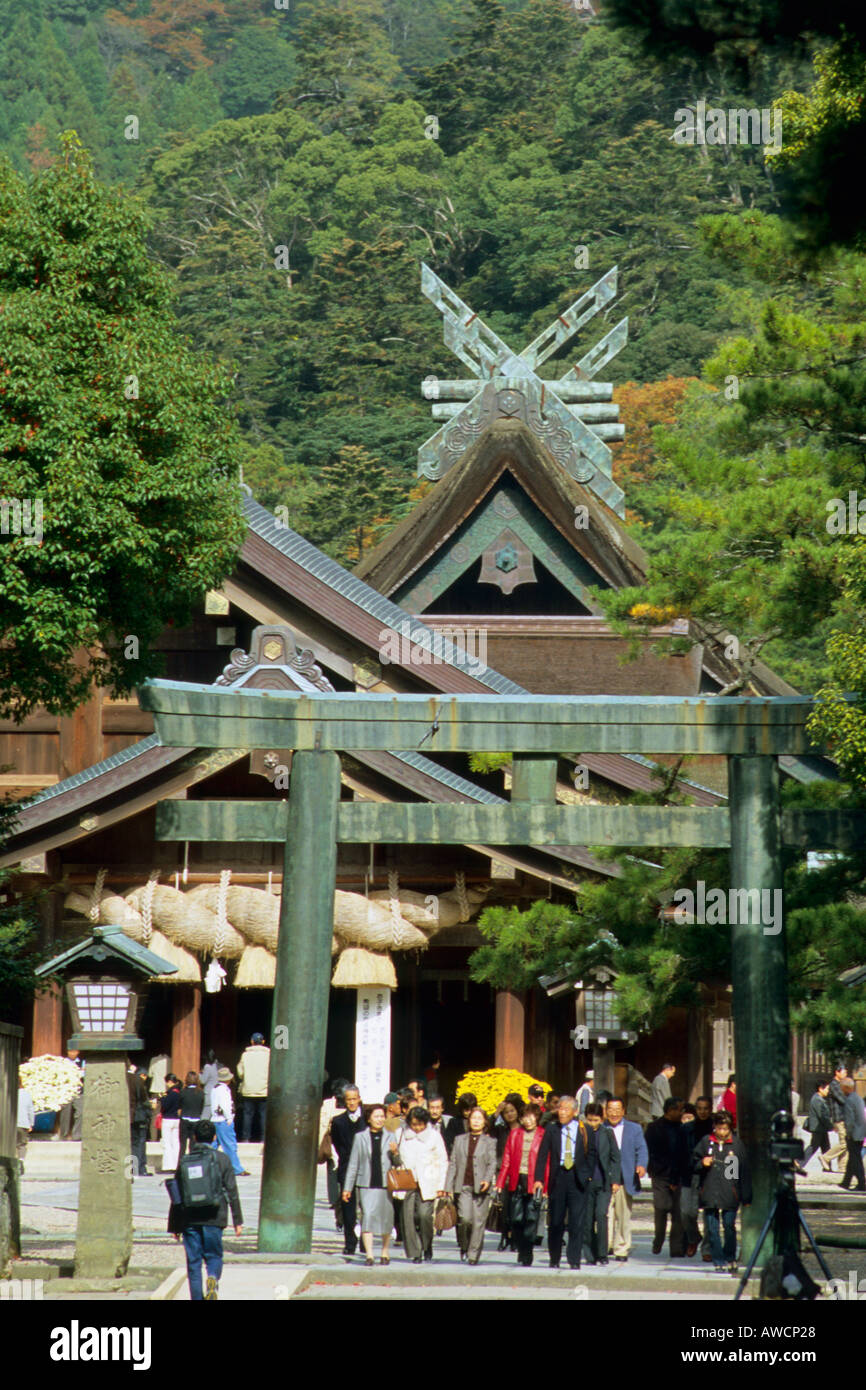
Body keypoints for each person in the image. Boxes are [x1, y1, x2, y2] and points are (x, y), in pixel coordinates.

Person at [174, 1119, 243, 1300]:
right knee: (213, 1255)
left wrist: (174, 1225)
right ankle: (212, 1277)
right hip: (215, 1214)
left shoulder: (185, 1161)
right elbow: (232, 1190)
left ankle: (197, 1297)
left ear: (194, 1137)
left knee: (194, 1262)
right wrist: (238, 1220)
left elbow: (176, 1195)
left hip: (190, 1217)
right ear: (214, 1137)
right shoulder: (222, 1159)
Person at [535, 1095, 594, 1270]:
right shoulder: (552, 1129)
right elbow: (542, 1155)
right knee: (555, 1221)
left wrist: (587, 1175)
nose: (562, 1112)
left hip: (577, 1178)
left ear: (575, 1112)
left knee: (577, 1221)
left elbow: (592, 1154)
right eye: (560, 1108)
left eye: (566, 1109)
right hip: (558, 1177)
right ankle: (554, 1257)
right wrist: (539, 1179)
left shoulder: (585, 1130)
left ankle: (574, 1258)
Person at [693, 1111, 751, 1273]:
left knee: (729, 1226)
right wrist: (702, 1163)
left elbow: (741, 1172)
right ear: (714, 1128)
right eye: (719, 1129)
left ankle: (730, 1256)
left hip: (729, 1193)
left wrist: (745, 1195)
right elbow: (693, 1163)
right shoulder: (706, 1142)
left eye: (725, 1129)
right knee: (712, 1228)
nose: (722, 1132)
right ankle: (717, 1258)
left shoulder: (736, 1145)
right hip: (709, 1191)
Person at [343, 1103, 398, 1266]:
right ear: (369, 1118)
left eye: (382, 1116)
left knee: (386, 1218)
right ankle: (369, 1254)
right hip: (365, 1184)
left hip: (384, 1184)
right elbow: (353, 1163)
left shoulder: (390, 1136)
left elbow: (398, 1163)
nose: (380, 1120)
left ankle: (385, 1251)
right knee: (367, 1216)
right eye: (376, 1116)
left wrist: (395, 1153)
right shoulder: (360, 1137)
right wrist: (347, 1188)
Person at [496, 1102, 549, 1266]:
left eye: (531, 1116)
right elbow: (507, 1159)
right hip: (517, 1179)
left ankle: (527, 1252)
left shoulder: (543, 1134)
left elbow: (548, 1163)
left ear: (537, 1117)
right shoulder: (515, 1134)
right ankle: (521, 1247)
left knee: (532, 1218)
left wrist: (546, 1187)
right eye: (525, 1117)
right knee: (517, 1218)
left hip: (536, 1181)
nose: (528, 1120)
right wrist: (499, 1182)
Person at [393, 1105, 448, 1263]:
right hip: (407, 1181)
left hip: (428, 1181)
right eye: (414, 1124)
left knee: (424, 1216)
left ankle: (427, 1245)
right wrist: (395, 1154)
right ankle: (415, 1251)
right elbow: (394, 1160)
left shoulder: (434, 1136)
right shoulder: (401, 1134)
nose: (417, 1128)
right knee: (408, 1218)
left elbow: (442, 1160)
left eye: (420, 1124)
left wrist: (441, 1185)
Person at [447, 1106, 497, 1265]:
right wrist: (448, 1186)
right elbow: (453, 1163)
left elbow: (492, 1163)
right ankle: (464, 1245)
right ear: (468, 1121)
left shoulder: (490, 1141)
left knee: (478, 1222)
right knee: (465, 1219)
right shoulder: (459, 1139)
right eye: (473, 1118)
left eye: (479, 1118)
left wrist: (488, 1179)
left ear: (485, 1122)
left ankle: (474, 1255)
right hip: (463, 1185)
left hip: (481, 1187)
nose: (476, 1121)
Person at [604, 1096, 647, 1263]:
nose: (614, 1113)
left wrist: (641, 1165)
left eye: (617, 1110)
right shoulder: (600, 1128)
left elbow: (641, 1149)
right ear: (605, 1111)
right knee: (605, 1214)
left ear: (623, 1111)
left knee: (623, 1216)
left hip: (625, 1176)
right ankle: (605, 1244)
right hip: (605, 1178)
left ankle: (621, 1248)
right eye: (610, 1110)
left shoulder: (634, 1129)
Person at [645, 1097, 687, 1257]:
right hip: (660, 1174)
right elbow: (648, 1151)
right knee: (661, 1207)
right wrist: (653, 1169)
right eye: (679, 1110)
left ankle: (676, 1247)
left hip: (678, 1174)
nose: (682, 1113)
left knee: (678, 1212)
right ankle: (659, 1239)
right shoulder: (653, 1128)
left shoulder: (683, 1129)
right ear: (670, 1110)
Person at [581, 1102, 621, 1265]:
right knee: (587, 1218)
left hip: (603, 1181)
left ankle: (602, 1253)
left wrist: (615, 1179)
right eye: (590, 1120)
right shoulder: (581, 1133)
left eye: (596, 1120)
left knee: (601, 1215)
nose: (593, 1124)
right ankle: (590, 1254)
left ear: (601, 1119)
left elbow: (615, 1158)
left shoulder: (607, 1133)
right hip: (586, 1182)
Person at [330, 1084, 368, 1256]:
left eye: (354, 1099)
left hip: (366, 1167)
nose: (352, 1103)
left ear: (359, 1099)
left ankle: (365, 1242)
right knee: (348, 1209)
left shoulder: (367, 1119)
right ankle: (350, 1242)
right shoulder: (338, 1122)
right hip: (347, 1167)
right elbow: (338, 1146)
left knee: (367, 1207)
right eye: (348, 1100)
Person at [209, 1067, 249, 1176]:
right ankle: (237, 1168)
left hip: (215, 1119)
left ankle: (206, 1165)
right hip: (223, 1120)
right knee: (230, 1145)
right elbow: (225, 1105)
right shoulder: (224, 1090)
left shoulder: (214, 1088)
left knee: (212, 1145)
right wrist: (229, 1118)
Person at [236, 1032, 270, 1142]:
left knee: (247, 1115)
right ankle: (263, 1138)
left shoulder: (245, 1055)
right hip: (263, 1090)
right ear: (263, 1042)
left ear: (252, 1041)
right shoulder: (268, 1055)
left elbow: (240, 1072)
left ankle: (246, 1138)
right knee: (263, 1115)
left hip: (248, 1090)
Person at [840, 1079, 866, 1191]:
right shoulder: (858, 1098)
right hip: (861, 1132)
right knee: (853, 1158)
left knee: (856, 1159)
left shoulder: (849, 1100)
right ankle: (846, 1181)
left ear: (845, 1088)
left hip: (854, 1134)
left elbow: (849, 1120)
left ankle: (861, 1182)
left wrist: (848, 1133)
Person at [801, 1079, 833, 1172]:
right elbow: (822, 1116)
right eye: (826, 1089)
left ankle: (827, 1166)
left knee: (826, 1147)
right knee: (813, 1146)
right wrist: (830, 1126)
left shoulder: (819, 1099)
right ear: (820, 1089)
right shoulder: (817, 1100)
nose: (828, 1091)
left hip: (821, 1128)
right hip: (818, 1127)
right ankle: (799, 1162)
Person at [824, 1064, 850, 1172]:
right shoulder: (834, 1085)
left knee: (845, 1143)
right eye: (844, 1072)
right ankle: (826, 1157)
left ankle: (842, 1167)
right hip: (839, 1117)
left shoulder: (840, 1084)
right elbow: (843, 1100)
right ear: (837, 1072)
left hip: (844, 1117)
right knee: (844, 1143)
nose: (845, 1074)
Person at [129, 1066, 152, 1177]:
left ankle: (134, 1167)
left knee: (133, 1143)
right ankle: (141, 1168)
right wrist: (149, 1112)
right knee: (140, 1143)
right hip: (140, 1116)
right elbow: (144, 1101)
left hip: (131, 1116)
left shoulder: (127, 1082)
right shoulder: (138, 1083)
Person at [57, 1048, 84, 1141]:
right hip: (66, 1091)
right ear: (67, 1052)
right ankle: (63, 1135)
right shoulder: (63, 1063)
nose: (72, 1053)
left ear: (78, 1052)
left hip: (79, 1091)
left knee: (80, 1112)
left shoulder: (82, 1062)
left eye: (74, 1051)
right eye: (70, 1051)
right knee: (65, 1113)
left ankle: (77, 1135)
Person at [159, 1075, 183, 1174]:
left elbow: (165, 1106)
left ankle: (168, 1166)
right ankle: (176, 1165)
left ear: (169, 1082)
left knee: (167, 1143)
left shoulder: (170, 1094)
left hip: (168, 1119)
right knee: (176, 1143)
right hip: (177, 1119)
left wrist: (162, 1098)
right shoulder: (179, 1092)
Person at [179, 1072, 206, 1157]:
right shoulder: (201, 1093)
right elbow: (201, 1107)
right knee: (193, 1145)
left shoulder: (183, 1092)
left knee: (182, 1145)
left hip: (185, 1118)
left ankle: (180, 1165)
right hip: (196, 1119)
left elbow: (180, 1105)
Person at [17, 1077, 35, 1173]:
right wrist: (31, 1123)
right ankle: (20, 1161)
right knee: (22, 1144)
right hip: (23, 1123)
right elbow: (30, 1110)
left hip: (9, 1123)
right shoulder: (26, 1094)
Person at [199, 1050, 220, 1122]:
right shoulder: (216, 1066)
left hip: (209, 1094)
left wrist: (199, 1074)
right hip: (216, 1093)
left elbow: (202, 1080)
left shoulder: (207, 1067)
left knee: (205, 1117)